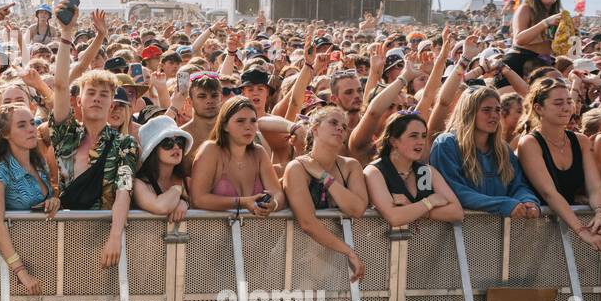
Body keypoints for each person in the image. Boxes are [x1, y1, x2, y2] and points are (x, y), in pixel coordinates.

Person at [50, 4, 137, 267]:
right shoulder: (66, 134)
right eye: (91, 93)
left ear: (113, 104)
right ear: (79, 101)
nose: (97, 99)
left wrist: (114, 236)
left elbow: (124, 188)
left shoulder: (124, 143)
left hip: (104, 238)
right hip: (62, 234)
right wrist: (66, 34)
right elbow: (61, 84)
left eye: (104, 94)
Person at [514, 77, 601, 251]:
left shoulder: (581, 141)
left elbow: (595, 185)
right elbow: (549, 192)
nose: (566, 108)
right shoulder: (529, 143)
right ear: (538, 108)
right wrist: (581, 230)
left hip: (568, 229)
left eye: (568, 102)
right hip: (532, 232)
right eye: (558, 103)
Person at [278, 106, 368, 283]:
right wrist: (348, 251)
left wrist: (325, 177)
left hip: (334, 258)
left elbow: (357, 209)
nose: (340, 128)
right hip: (297, 256)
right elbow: (307, 223)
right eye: (333, 123)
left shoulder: (351, 166)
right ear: (315, 129)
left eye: (344, 126)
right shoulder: (297, 167)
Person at [430, 86, 543, 218]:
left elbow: (518, 185)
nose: (494, 115)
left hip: (502, 234)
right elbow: (455, 191)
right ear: (469, 112)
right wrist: (503, 205)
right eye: (486, 110)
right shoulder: (446, 144)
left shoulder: (504, 149)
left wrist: (528, 201)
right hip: (458, 232)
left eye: (497, 110)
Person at [0, 104, 59, 296]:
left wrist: (54, 201)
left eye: (31, 123)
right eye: (21, 125)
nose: (31, 129)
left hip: (43, 256)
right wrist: (20, 271)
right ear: (5, 133)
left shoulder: (40, 163)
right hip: (10, 268)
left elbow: (50, 198)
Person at [363, 111, 463, 228]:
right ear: (393, 141)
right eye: (413, 136)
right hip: (382, 244)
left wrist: (414, 207)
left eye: (424, 136)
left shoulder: (427, 171)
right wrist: (430, 202)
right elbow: (395, 217)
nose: (421, 142)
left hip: (426, 245)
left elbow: (457, 212)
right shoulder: (374, 171)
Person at [190, 95, 284, 216]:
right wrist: (241, 202)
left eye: (253, 121)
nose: (248, 126)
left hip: (256, 232)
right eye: (240, 121)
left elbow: (278, 194)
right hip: (214, 233)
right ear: (224, 126)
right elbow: (197, 199)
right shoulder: (210, 150)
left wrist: (273, 204)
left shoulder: (259, 153)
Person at [132, 116, 191, 220]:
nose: (176, 147)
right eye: (167, 143)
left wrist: (184, 202)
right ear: (153, 150)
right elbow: (160, 207)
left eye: (180, 141)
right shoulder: (138, 184)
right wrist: (177, 190)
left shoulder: (187, 181)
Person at [508, 0, 562, 76]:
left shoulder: (555, 14)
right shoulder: (526, 8)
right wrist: (545, 23)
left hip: (543, 63)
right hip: (519, 62)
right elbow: (519, 39)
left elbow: (557, 48)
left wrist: (572, 33)